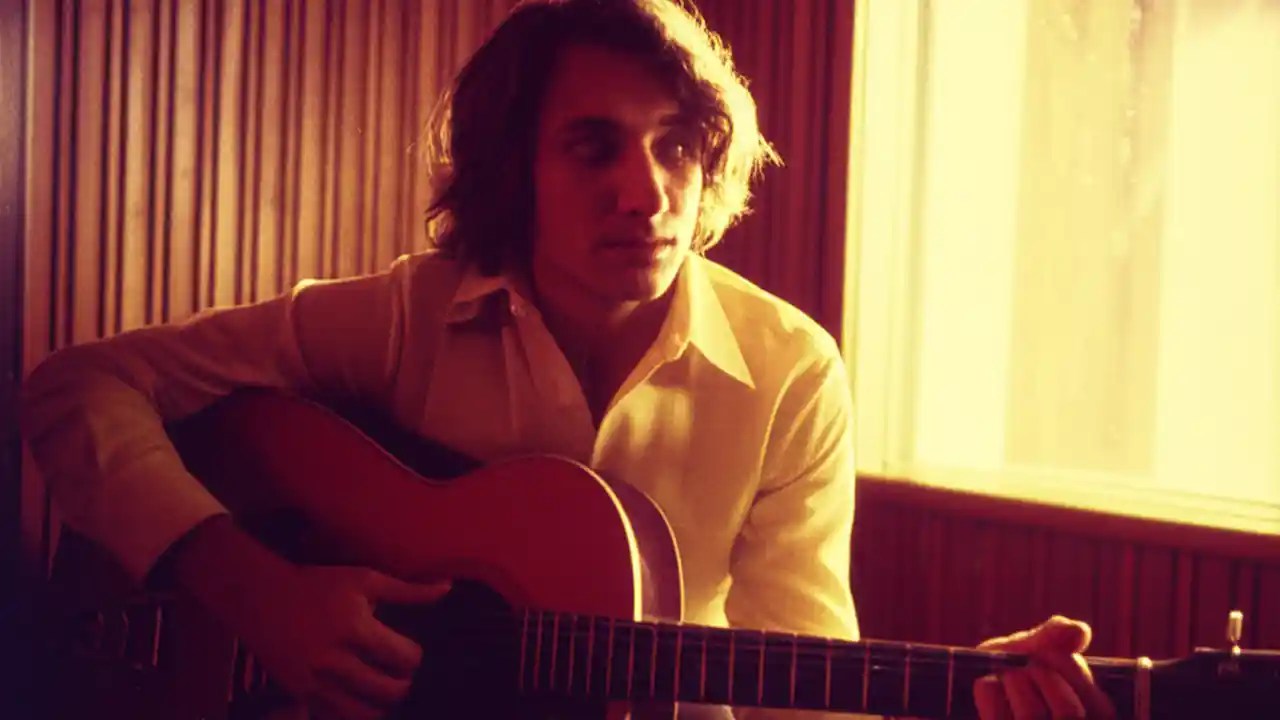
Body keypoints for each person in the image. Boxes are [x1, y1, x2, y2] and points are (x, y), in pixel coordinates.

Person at [20, 0, 1114, 718]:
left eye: (676, 145)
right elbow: (75, 387)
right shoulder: (405, 317)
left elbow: (797, 689)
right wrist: (246, 586)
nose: (646, 192)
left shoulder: (789, 372)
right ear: (513, 171)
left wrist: (966, 694)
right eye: (593, 146)